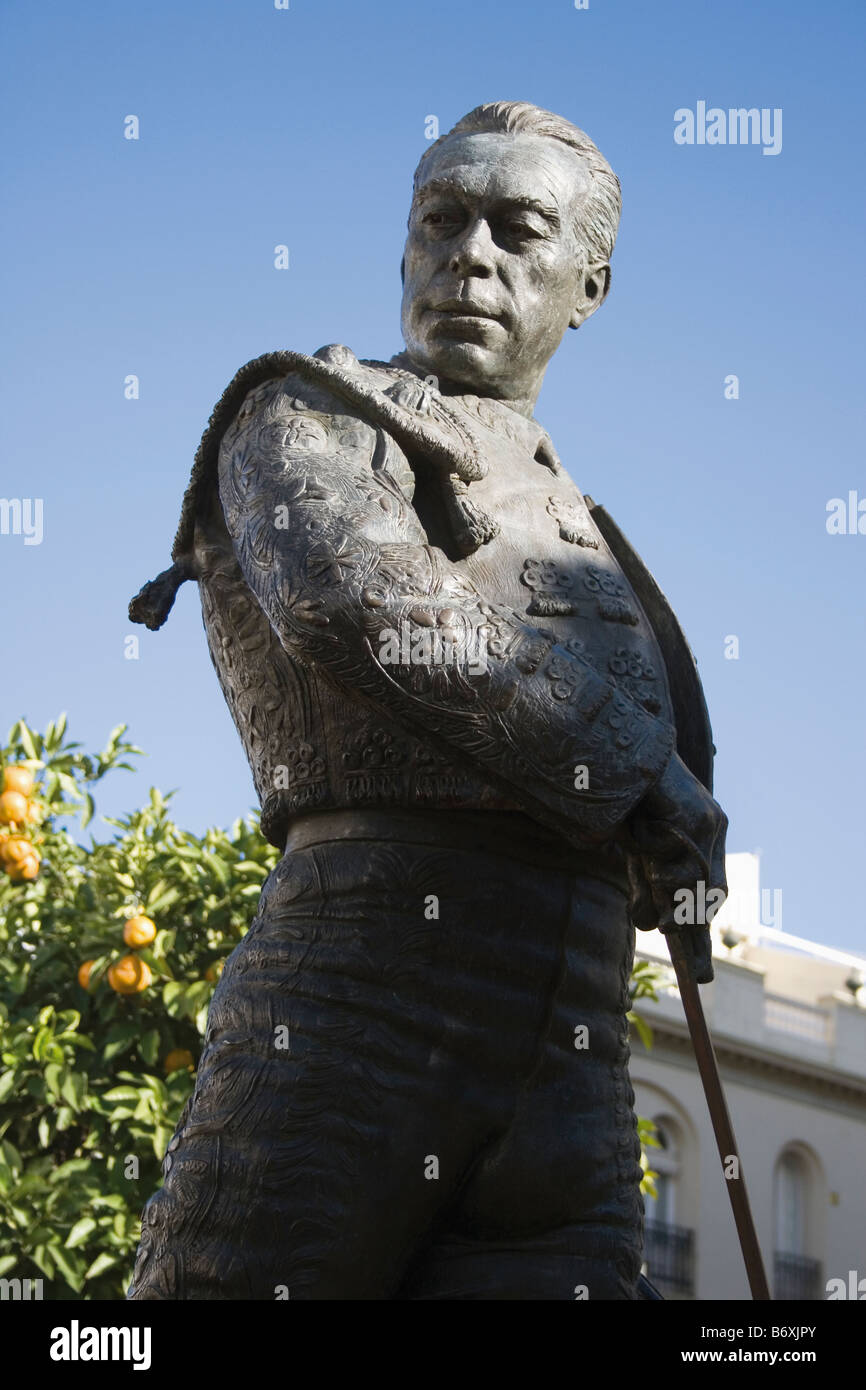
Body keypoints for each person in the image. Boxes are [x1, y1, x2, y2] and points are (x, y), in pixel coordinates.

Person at [127, 101, 727, 1300]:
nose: (472, 255)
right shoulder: (304, 408)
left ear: (587, 283)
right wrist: (639, 775)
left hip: (573, 1046)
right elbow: (352, 601)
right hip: (360, 991)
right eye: (442, 221)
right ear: (405, 248)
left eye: (518, 230)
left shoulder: (592, 532)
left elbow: (680, 811)